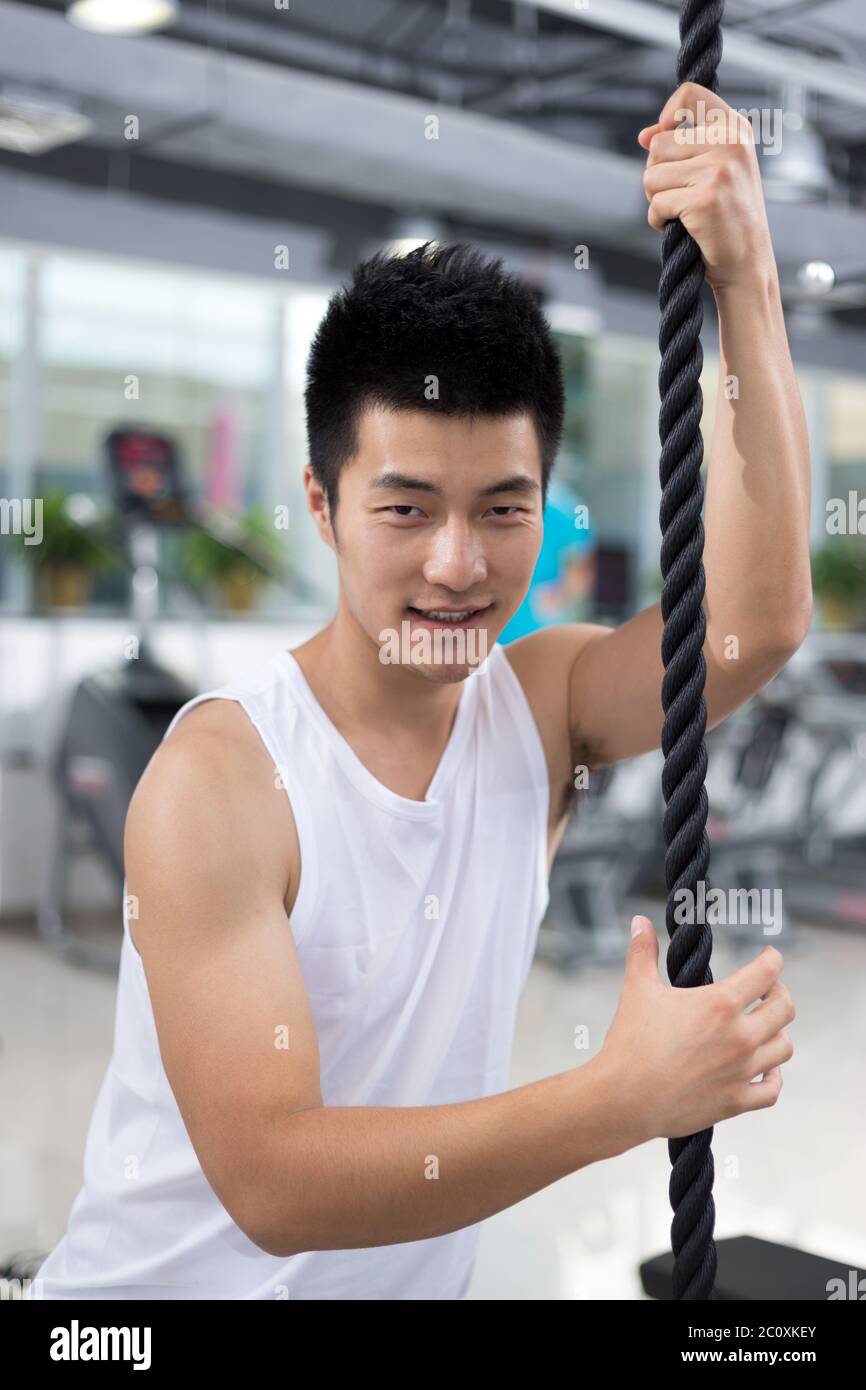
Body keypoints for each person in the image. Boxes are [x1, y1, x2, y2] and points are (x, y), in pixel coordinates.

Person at [32, 86, 810, 1301]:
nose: (458, 563)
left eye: (502, 509)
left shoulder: (540, 706)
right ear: (322, 501)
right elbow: (275, 1182)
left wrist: (745, 281)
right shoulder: (221, 779)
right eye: (404, 508)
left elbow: (753, 626)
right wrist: (618, 1098)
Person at [499, 478, 595, 643]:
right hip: (542, 632)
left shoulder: (498, 498)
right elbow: (580, 576)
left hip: (495, 631)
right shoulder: (574, 508)